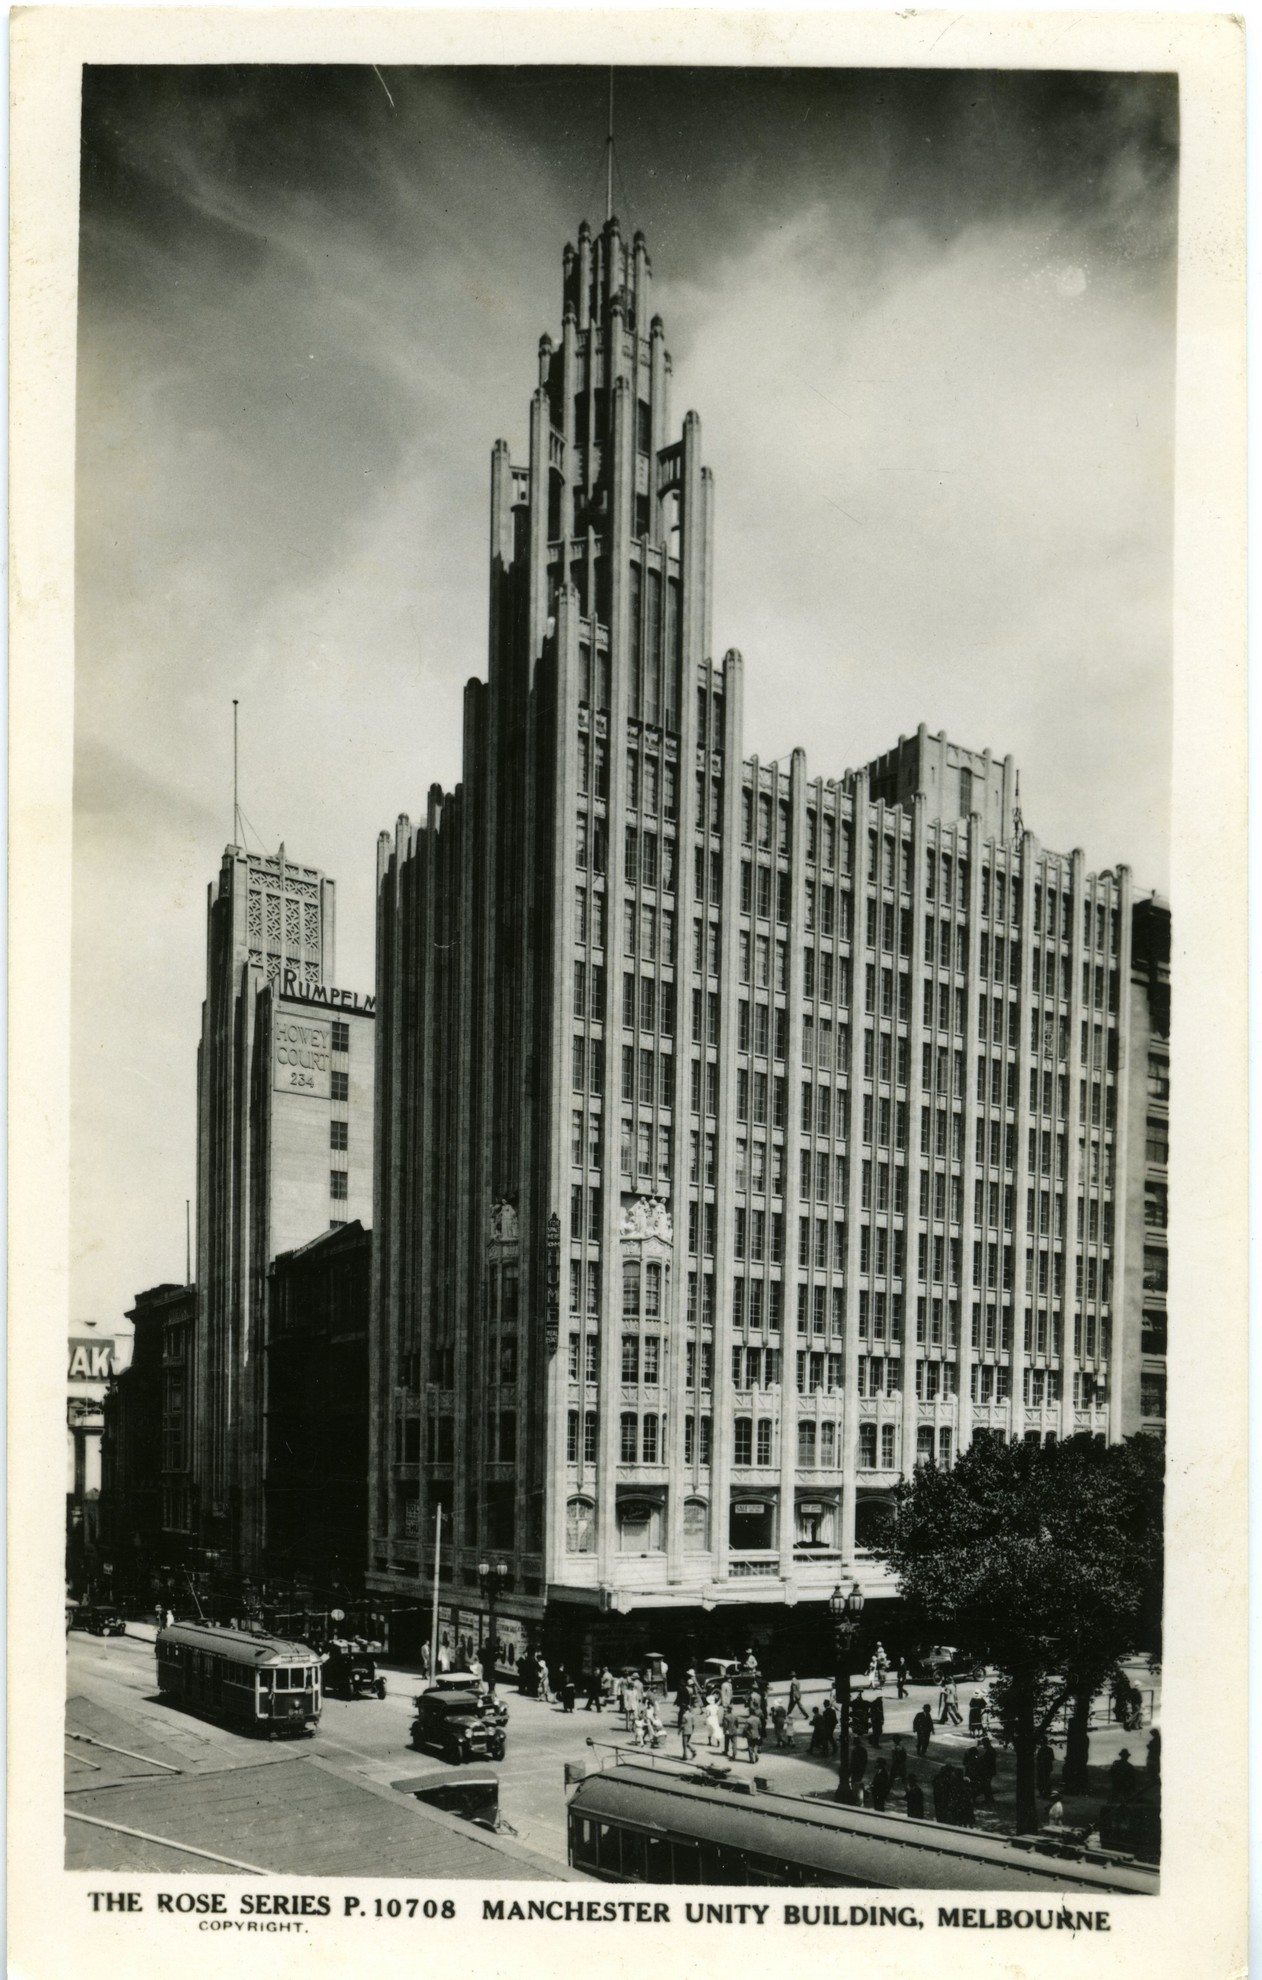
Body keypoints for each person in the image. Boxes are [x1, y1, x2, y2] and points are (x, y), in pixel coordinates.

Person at [976, 1732, 997, 1804]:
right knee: (987, 1786)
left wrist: (978, 1759)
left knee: (986, 1786)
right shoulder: (990, 1750)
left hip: (988, 1771)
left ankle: (989, 1800)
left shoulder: (990, 1751)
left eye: (983, 1743)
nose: (983, 1745)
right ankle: (989, 1799)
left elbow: (986, 1760)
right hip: (989, 1771)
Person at [1035, 1736, 1054, 1802]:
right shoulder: (1049, 1749)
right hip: (1045, 1767)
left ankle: (1044, 1793)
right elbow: (1052, 1758)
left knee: (1043, 1780)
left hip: (1043, 1767)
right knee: (1045, 1780)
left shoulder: (1042, 1750)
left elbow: (1038, 1759)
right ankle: (1045, 1793)